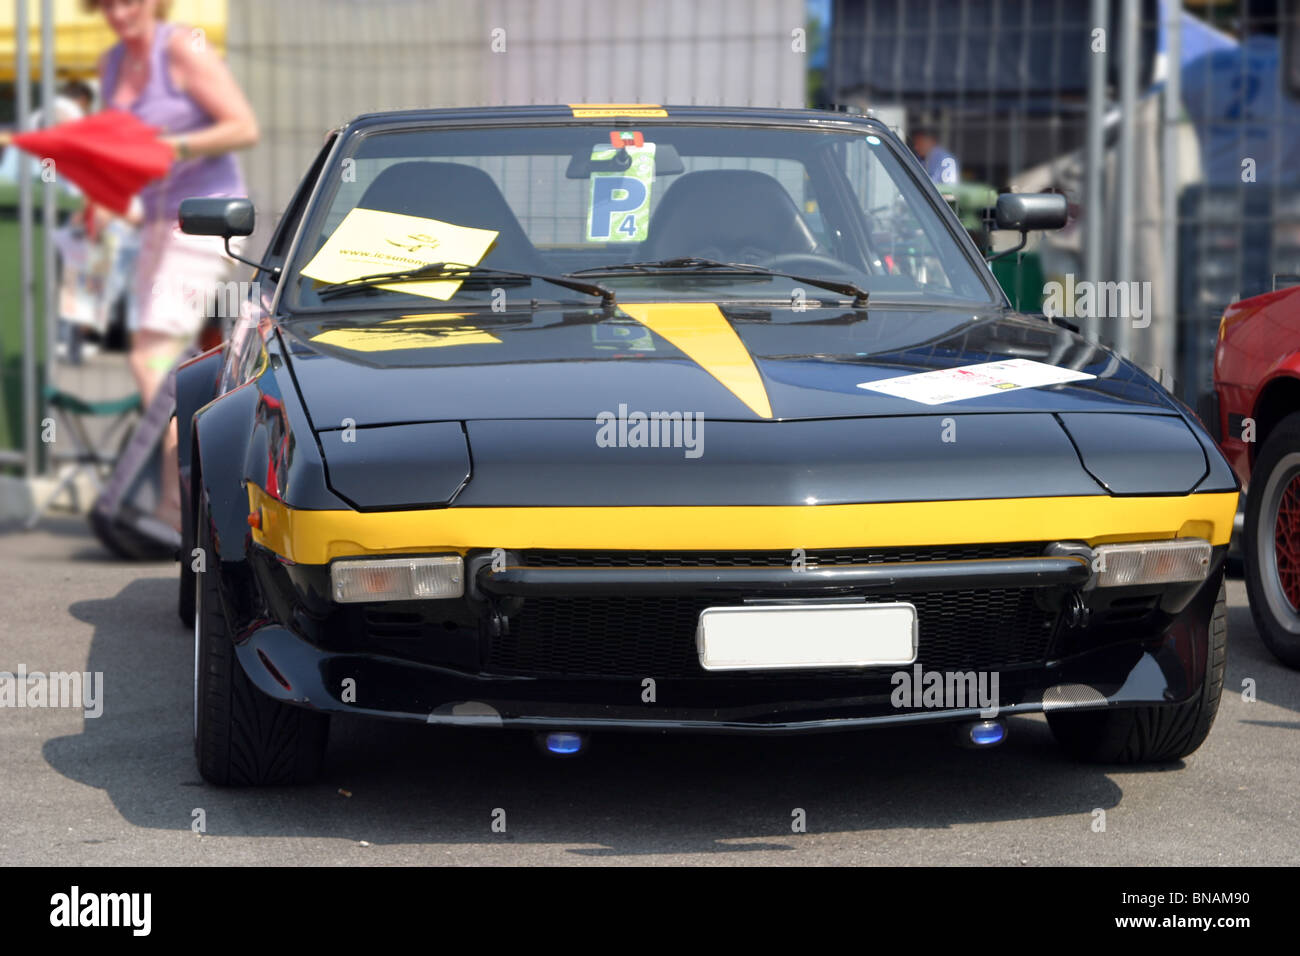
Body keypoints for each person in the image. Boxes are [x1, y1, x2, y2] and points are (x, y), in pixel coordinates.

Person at [85, 0, 258, 531]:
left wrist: (172, 145)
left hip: (204, 215)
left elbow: (241, 126)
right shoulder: (112, 63)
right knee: (164, 360)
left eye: (129, 0)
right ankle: (187, 487)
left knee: (154, 353)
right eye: (107, 4)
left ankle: (176, 503)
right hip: (156, 223)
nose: (119, 12)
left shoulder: (182, 48)